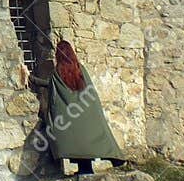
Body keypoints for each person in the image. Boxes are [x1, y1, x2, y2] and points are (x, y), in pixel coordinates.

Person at [33, 39, 125, 173]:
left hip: (71, 117)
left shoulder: (57, 73)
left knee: (75, 137)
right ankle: (92, 165)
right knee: (84, 136)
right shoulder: (80, 69)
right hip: (84, 113)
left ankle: (84, 168)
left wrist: (33, 80)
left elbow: (54, 90)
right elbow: (88, 92)